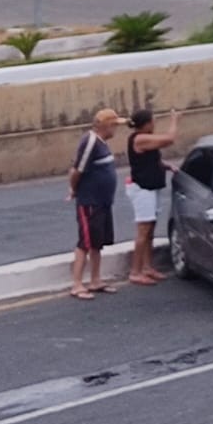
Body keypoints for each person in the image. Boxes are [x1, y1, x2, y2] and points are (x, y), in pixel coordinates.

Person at [69, 108, 126, 300]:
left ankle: (95, 279)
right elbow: (77, 170)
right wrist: (74, 190)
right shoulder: (91, 141)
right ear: (107, 126)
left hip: (102, 201)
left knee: (97, 242)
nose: (116, 130)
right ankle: (77, 284)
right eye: (115, 126)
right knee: (85, 242)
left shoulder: (102, 143)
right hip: (90, 202)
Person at [125, 107, 179, 286]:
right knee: (143, 230)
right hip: (142, 189)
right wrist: (174, 121)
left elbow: (149, 160)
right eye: (152, 120)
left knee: (150, 229)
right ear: (146, 124)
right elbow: (169, 139)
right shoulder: (140, 139)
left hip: (151, 187)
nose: (154, 123)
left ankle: (147, 267)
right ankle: (135, 271)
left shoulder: (144, 140)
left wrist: (166, 166)